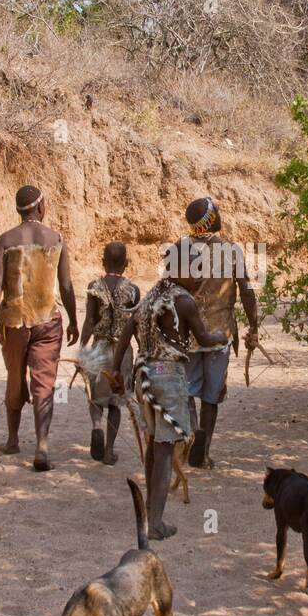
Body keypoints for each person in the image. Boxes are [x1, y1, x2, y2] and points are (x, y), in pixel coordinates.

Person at [111, 255, 225, 541]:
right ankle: (155, 523)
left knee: (154, 443)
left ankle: (151, 512)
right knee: (164, 449)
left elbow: (126, 333)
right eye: (195, 270)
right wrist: (220, 336)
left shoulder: (152, 296)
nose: (200, 276)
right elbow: (203, 338)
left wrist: (115, 370)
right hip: (167, 377)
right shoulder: (184, 302)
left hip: (144, 374)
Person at [0, 185, 78, 471]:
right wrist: (74, 320)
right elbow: (66, 286)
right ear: (41, 207)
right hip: (48, 320)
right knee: (44, 383)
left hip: (14, 322)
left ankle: (12, 440)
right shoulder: (56, 239)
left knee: (15, 378)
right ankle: (42, 446)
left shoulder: (6, 240)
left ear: (18, 210)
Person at [180, 195, 259, 468]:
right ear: (211, 219)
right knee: (210, 397)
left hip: (188, 335)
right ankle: (203, 451)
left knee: (187, 392)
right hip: (219, 334)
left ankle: (192, 438)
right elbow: (247, 291)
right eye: (217, 211)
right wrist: (254, 326)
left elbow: (168, 292)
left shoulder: (180, 249)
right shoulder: (231, 251)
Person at [79, 241, 140, 465]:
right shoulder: (133, 290)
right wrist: (143, 350)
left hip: (99, 348)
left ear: (103, 262)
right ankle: (109, 451)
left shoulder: (94, 286)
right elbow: (137, 325)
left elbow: (89, 321)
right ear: (126, 264)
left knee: (96, 397)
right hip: (122, 352)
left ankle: (96, 426)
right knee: (115, 401)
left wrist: (82, 350)